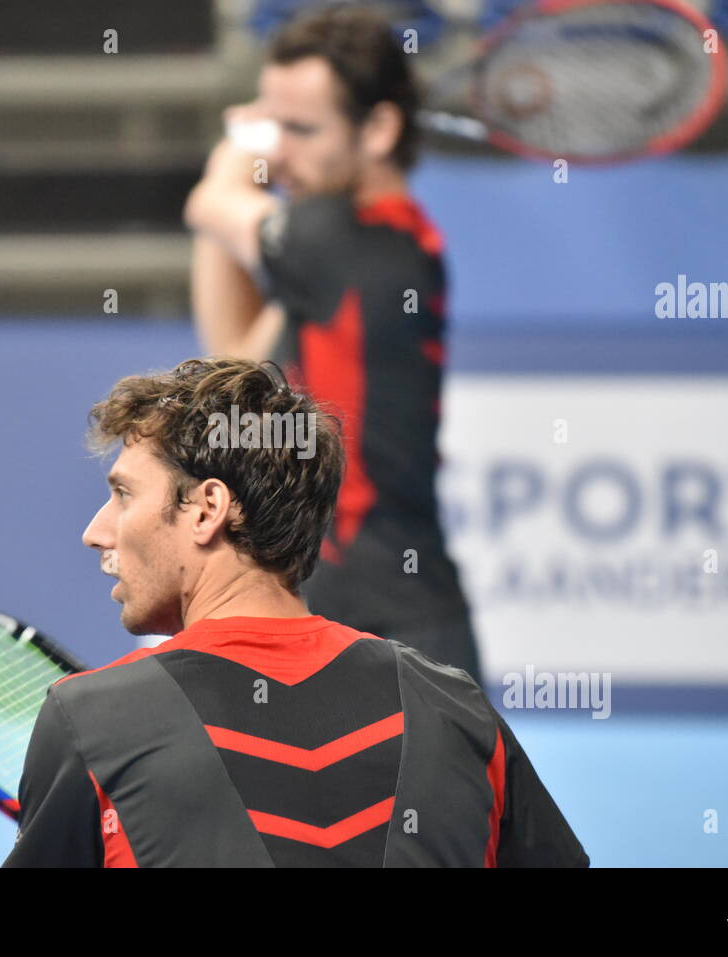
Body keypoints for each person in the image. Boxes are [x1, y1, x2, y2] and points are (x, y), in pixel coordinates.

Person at [2, 357, 587, 867]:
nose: (95, 531)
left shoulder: (90, 720)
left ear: (207, 509)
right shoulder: (458, 712)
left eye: (124, 494)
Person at [182, 3, 480, 683]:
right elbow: (234, 357)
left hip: (401, 629)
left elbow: (209, 203)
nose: (280, 149)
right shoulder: (351, 256)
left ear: (378, 128)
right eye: (273, 123)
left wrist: (241, 146)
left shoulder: (340, 242)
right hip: (326, 610)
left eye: (300, 128)